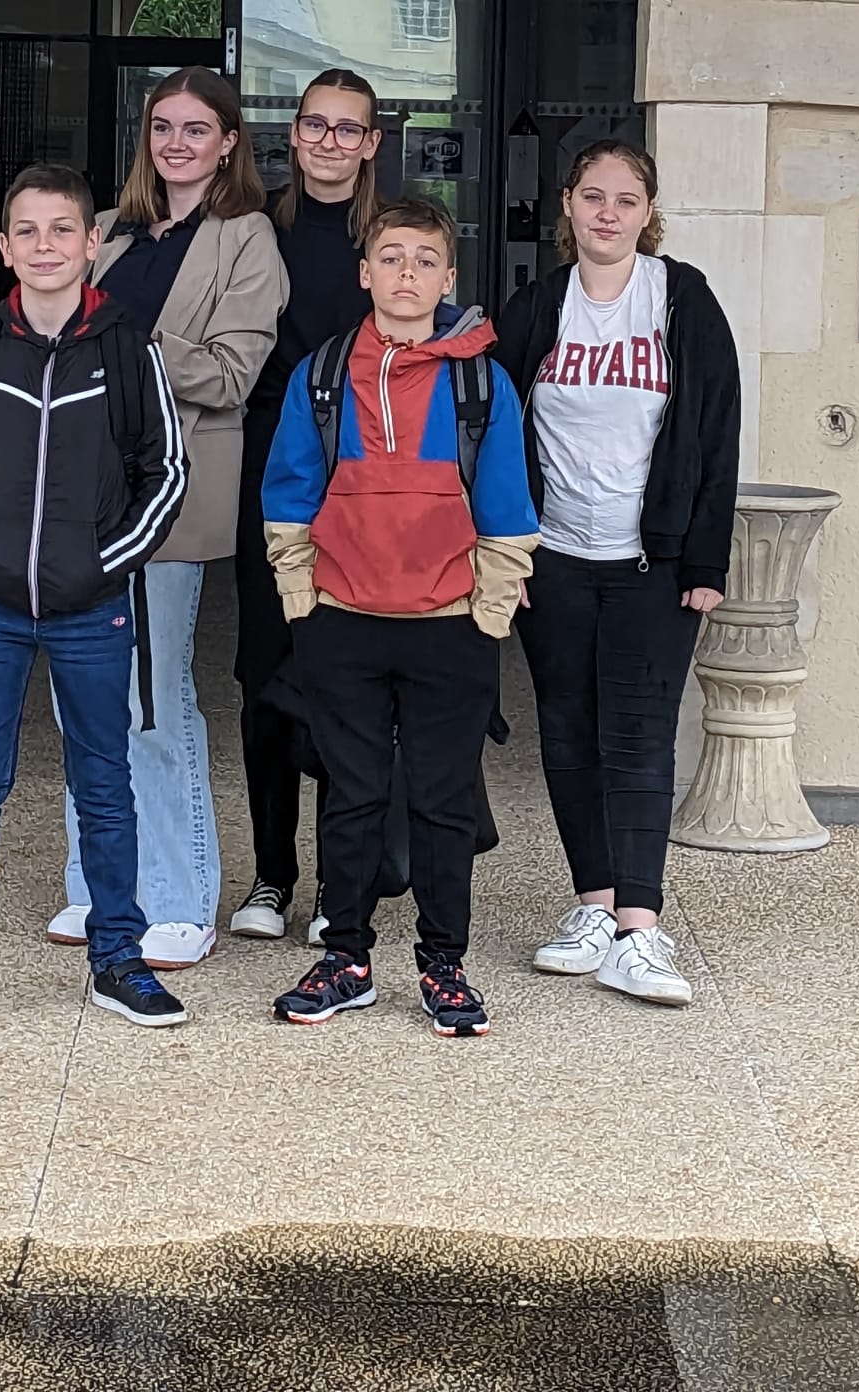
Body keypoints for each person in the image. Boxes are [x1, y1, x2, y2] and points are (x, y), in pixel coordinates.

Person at [0, 163, 189, 1030]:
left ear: (93, 243)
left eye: (63, 229)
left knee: (105, 787)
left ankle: (118, 960)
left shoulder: (128, 348)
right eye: (28, 230)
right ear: (4, 247)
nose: (46, 245)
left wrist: (107, 565)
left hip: (92, 608)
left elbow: (165, 471)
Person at [261, 197, 537, 1038]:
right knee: (351, 796)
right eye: (390, 257)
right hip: (342, 616)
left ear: (449, 278)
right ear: (364, 273)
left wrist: (490, 612)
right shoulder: (322, 374)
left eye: (424, 260)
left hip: (450, 622)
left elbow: (507, 506)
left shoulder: (480, 381)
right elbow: (288, 491)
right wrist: (301, 599)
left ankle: (444, 962)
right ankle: (345, 957)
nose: (406, 273)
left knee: (443, 801)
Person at [46, 67, 287, 970]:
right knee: (82, 695)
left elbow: (230, 374)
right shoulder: (108, 229)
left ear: (228, 143)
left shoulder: (246, 236)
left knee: (152, 698)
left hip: (165, 495)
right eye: (162, 127)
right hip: (76, 493)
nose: (176, 144)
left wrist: (127, 336)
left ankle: (180, 894)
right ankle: (97, 884)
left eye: (196, 129)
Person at [495, 140, 740, 1009]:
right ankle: (593, 906)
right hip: (555, 558)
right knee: (567, 731)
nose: (608, 213)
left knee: (637, 736)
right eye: (593, 196)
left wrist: (705, 559)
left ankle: (639, 927)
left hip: (652, 563)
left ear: (648, 212)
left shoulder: (681, 299)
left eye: (626, 199)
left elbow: (716, 429)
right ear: (566, 203)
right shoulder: (537, 307)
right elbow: (492, 430)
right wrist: (506, 550)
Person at [229, 68, 382, 946]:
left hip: (365, 479)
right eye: (314, 125)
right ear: (293, 133)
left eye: (346, 128)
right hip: (271, 468)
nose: (329, 142)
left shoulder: (392, 237)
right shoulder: (254, 229)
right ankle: (271, 876)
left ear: (371, 143)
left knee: (345, 677)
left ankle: (336, 886)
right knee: (264, 669)